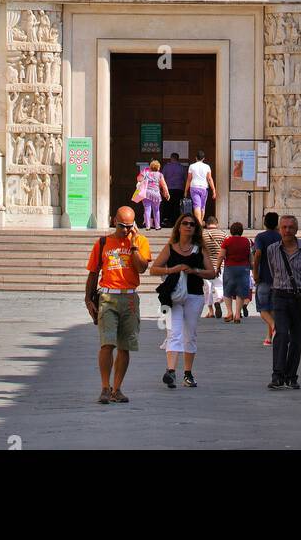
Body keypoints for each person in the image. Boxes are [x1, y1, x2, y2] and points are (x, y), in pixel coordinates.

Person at [85, 207, 151, 404]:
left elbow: (142, 268)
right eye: (122, 226)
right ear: (114, 221)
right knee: (107, 344)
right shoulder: (103, 242)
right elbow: (93, 272)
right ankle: (105, 387)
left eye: (130, 226)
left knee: (125, 346)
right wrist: (88, 299)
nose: (125, 230)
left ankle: (117, 388)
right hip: (108, 297)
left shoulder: (140, 241)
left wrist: (133, 246)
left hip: (130, 298)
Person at [150, 212, 215, 387]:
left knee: (190, 334)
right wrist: (172, 270)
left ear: (196, 229)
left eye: (192, 224)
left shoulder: (200, 249)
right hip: (173, 296)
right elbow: (154, 269)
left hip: (194, 295)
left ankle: (188, 373)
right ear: (179, 227)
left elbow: (212, 272)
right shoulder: (170, 247)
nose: (188, 226)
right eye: (185, 223)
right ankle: (171, 372)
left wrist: (195, 271)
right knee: (173, 332)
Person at [267, 214, 301, 390]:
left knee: (297, 338)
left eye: (291, 227)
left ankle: (291, 375)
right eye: (284, 227)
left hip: (300, 297)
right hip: (280, 296)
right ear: (280, 229)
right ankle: (277, 375)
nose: (287, 230)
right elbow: (273, 271)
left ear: (296, 229)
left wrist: (300, 287)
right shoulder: (272, 249)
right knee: (281, 334)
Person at [252, 210, 281, 346]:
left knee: (263, 309)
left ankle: (275, 328)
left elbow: (257, 254)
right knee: (273, 309)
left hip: (264, 276)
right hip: (278, 277)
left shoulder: (260, 237)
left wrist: (255, 272)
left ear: (264, 222)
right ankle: (269, 337)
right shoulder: (280, 237)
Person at [216, 221, 253, 323]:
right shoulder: (246, 241)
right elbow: (250, 256)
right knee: (240, 292)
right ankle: (237, 315)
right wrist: (252, 266)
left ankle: (229, 313)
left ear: (231, 231)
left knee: (227, 290)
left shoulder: (227, 241)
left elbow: (221, 255)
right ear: (241, 231)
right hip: (243, 268)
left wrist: (217, 267)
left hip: (230, 268)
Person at [201, 215, 226, 318]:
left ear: (207, 224)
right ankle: (218, 301)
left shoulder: (202, 234)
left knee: (208, 288)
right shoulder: (223, 234)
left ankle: (210, 311)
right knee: (219, 286)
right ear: (217, 224)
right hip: (220, 265)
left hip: (206, 265)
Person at [136, 160, 170, 230]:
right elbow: (164, 185)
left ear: (150, 167)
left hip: (146, 193)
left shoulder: (146, 173)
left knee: (147, 209)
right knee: (156, 210)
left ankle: (148, 226)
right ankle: (157, 226)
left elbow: (139, 179)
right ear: (158, 167)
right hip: (156, 193)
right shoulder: (160, 175)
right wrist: (167, 193)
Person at [185, 151, 216, 224]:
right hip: (204, 188)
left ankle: (198, 223)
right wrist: (214, 190)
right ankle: (200, 222)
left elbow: (189, 179)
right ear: (203, 158)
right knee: (202, 206)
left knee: (196, 205)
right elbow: (209, 179)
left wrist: (186, 190)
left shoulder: (192, 166)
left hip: (194, 187)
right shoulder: (207, 167)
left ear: (196, 158)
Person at [162, 152, 186, 226]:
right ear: (178, 159)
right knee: (177, 206)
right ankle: (176, 221)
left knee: (168, 205)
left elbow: (162, 178)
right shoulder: (181, 167)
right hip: (179, 189)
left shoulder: (166, 167)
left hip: (168, 189)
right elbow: (185, 178)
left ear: (171, 158)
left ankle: (168, 221)